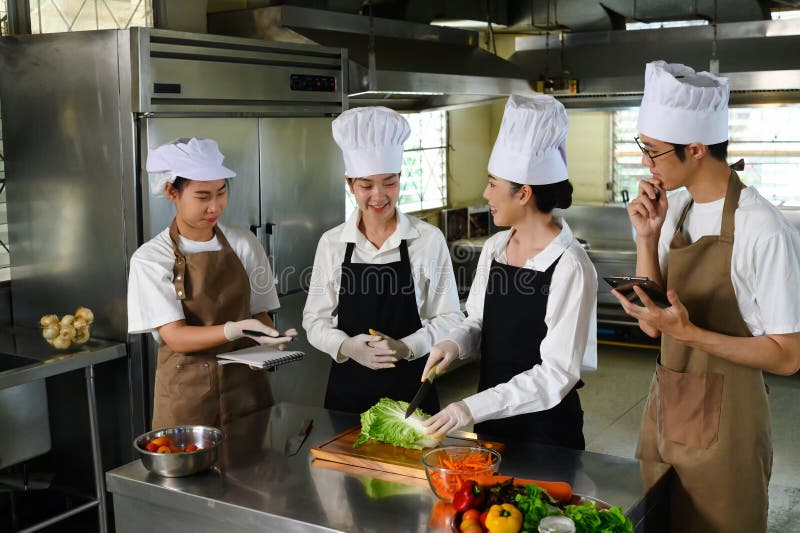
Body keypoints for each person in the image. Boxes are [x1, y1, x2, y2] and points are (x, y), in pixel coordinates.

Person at [612, 60, 800, 532]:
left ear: (694, 149)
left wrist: (691, 334)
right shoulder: (674, 208)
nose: (645, 163)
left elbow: (788, 356)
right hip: (666, 408)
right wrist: (644, 237)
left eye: (652, 152)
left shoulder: (763, 228)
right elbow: (653, 324)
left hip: (730, 429)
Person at [421, 95, 597, 448]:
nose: (485, 193)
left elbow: (556, 374)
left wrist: (468, 409)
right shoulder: (495, 249)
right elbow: (478, 321)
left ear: (524, 194)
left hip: (546, 433)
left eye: (492, 183)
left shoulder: (571, 266)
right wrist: (454, 343)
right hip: (492, 424)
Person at [302, 107, 464, 414]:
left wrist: (406, 348)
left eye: (389, 182)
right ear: (350, 184)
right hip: (346, 394)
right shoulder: (332, 243)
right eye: (366, 185)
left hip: (411, 393)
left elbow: (450, 318)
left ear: (400, 178)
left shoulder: (428, 240)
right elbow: (315, 319)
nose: (379, 196)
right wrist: (345, 346)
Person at [128, 137, 297, 429]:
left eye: (221, 192)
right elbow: (176, 337)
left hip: (246, 390)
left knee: (251, 469)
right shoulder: (151, 258)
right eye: (202, 196)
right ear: (172, 192)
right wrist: (236, 329)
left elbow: (259, 313)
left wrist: (270, 337)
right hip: (186, 398)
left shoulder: (244, 243)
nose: (215, 206)